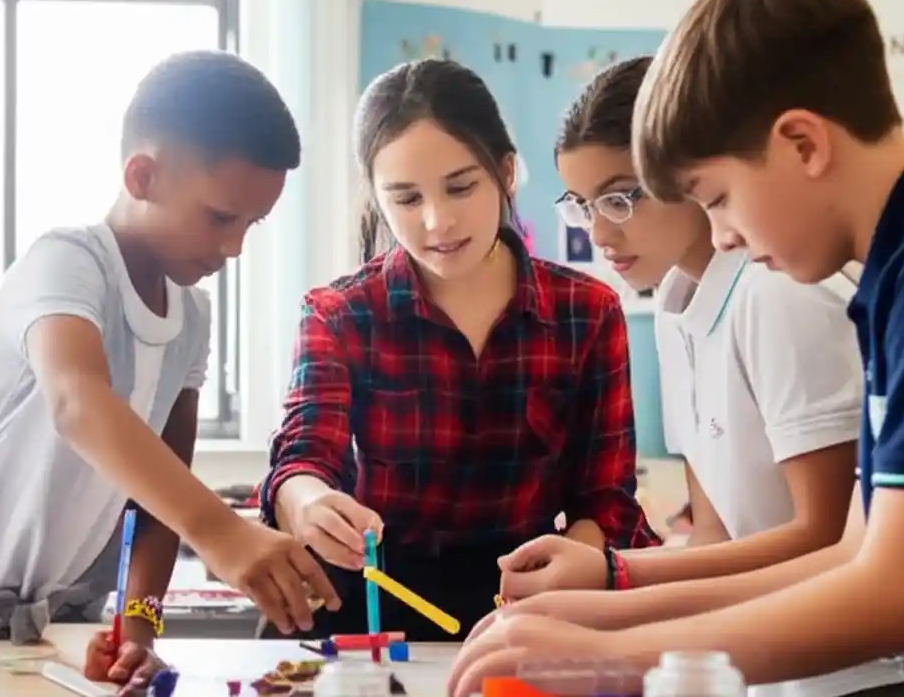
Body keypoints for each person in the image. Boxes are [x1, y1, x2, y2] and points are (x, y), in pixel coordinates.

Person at [448, 0, 904, 694]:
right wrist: (603, 610)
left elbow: (902, 597)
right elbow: (855, 555)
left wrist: (609, 655)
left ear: (802, 142)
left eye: (717, 197)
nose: (723, 234)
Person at [0, 51, 339, 689]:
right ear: (142, 176)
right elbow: (78, 404)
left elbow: (155, 503)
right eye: (221, 217)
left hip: (50, 631)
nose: (234, 247)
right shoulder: (68, 263)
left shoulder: (192, 319)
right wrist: (222, 532)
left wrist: (137, 631)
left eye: (251, 224)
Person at [491, 55, 904, 696]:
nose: (600, 232)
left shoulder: (778, 294)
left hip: (855, 677)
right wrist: (591, 583)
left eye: (620, 197)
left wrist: (611, 583)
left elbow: (826, 536)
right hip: (759, 669)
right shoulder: (673, 305)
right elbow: (713, 535)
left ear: (681, 172)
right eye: (583, 205)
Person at [258, 57, 662, 641]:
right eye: (404, 198)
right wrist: (308, 503)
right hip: (364, 602)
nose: (437, 221)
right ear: (375, 197)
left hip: (521, 602)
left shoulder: (587, 313)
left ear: (506, 172)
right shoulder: (340, 313)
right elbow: (302, 458)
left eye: (461, 186)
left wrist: (576, 565)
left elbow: (605, 499)